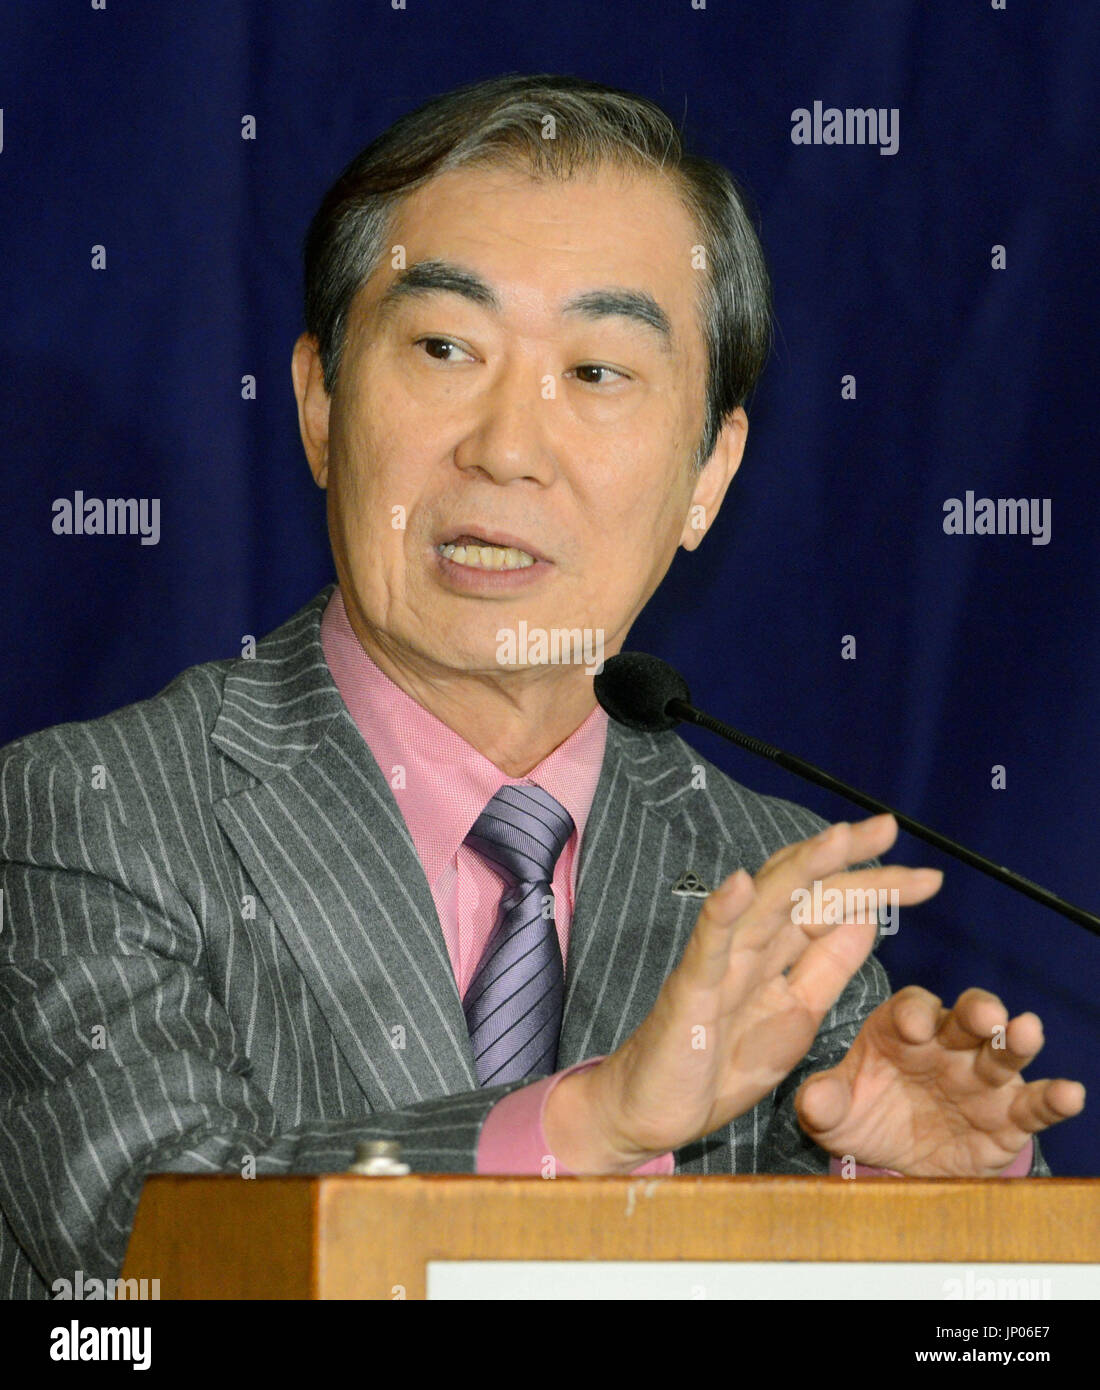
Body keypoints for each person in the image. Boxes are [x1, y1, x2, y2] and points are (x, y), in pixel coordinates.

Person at [0, 74, 1083, 1299]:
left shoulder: (770, 892)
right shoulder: (88, 810)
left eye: (597, 371)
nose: (506, 447)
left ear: (707, 476)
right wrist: (587, 1127)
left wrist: (910, 1214)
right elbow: (140, 1260)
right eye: (445, 347)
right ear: (317, 403)